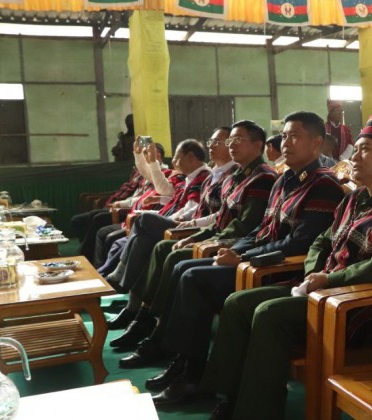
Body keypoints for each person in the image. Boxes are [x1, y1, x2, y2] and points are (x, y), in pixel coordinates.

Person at [199, 112, 372, 420]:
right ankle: (232, 398)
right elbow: (320, 243)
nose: (356, 158)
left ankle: (256, 412)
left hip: (362, 308)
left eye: (366, 150)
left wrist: (331, 280)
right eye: (358, 149)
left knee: (270, 315)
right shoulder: (355, 199)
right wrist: (315, 272)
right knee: (238, 302)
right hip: (326, 293)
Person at [142, 111, 346, 405]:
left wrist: (244, 258)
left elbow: (298, 244)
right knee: (185, 267)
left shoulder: (322, 184)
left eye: (295, 136)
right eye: (285, 135)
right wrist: (238, 251)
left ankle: (194, 375)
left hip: (277, 269)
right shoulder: (284, 180)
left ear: (316, 143)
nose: (286, 143)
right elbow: (262, 230)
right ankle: (186, 365)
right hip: (257, 260)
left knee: (193, 276)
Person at [109, 120, 277, 351]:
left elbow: (243, 226)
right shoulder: (237, 176)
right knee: (162, 247)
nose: (231, 146)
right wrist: (194, 237)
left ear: (258, 145)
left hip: (236, 245)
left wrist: (205, 239)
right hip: (222, 238)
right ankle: (146, 320)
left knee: (176, 260)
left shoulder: (263, 177)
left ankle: (156, 330)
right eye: (229, 141)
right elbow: (222, 219)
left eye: (237, 140)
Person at [105, 128, 234, 329]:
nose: (211, 147)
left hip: (191, 228)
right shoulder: (209, 175)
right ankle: (137, 311)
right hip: (187, 225)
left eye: (217, 143)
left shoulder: (210, 175)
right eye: (211, 142)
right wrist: (141, 156)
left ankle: (133, 300)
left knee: (143, 225)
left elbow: (199, 212)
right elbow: (177, 199)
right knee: (144, 238)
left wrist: (185, 222)